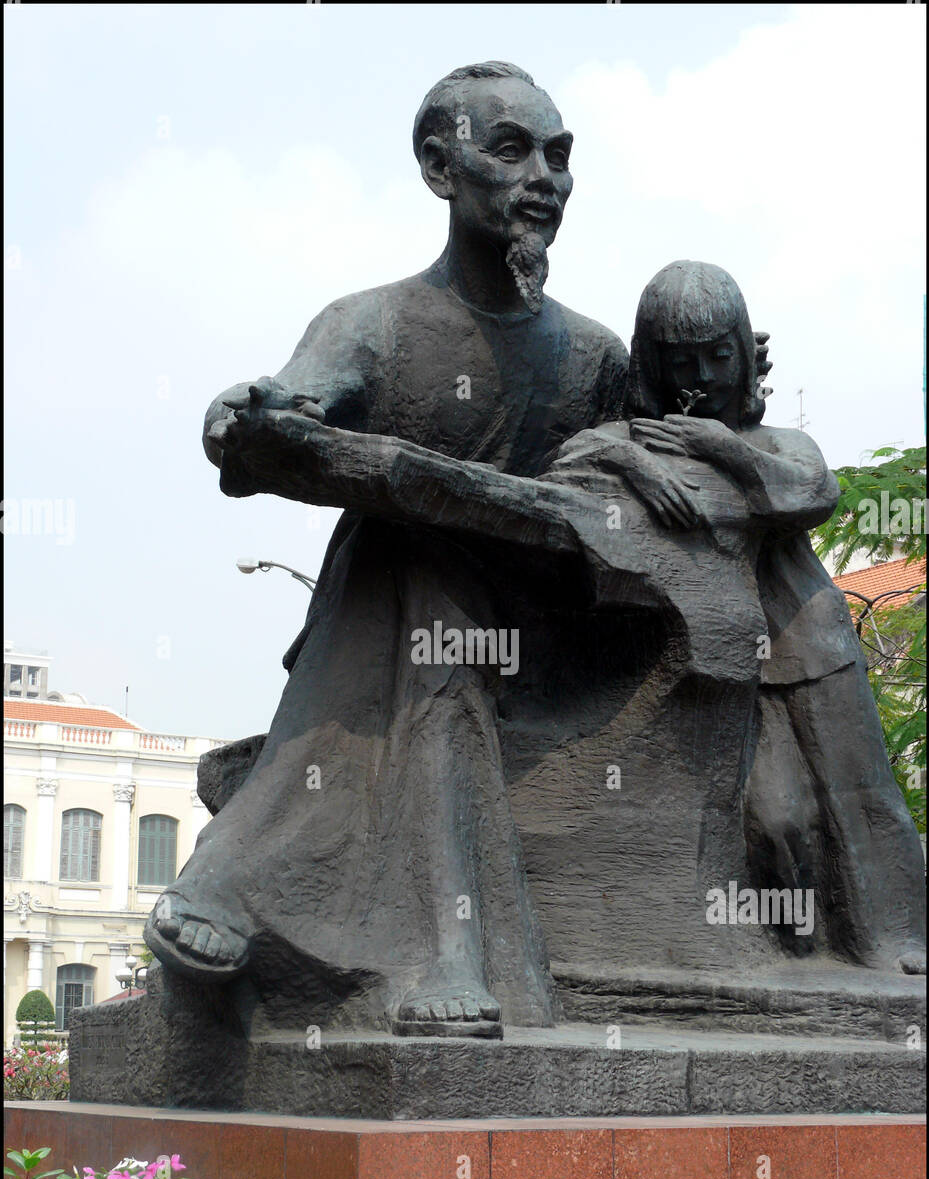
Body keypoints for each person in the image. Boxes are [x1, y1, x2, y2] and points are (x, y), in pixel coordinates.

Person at [144, 62, 629, 1036]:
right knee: (421, 567)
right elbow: (290, 408)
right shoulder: (371, 323)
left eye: (559, 155)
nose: (543, 176)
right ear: (437, 167)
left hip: (556, 644)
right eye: (510, 149)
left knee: (433, 572)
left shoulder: (594, 357)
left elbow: (633, 514)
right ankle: (445, 949)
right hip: (403, 621)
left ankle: (239, 882)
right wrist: (256, 414)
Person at [551, 260, 926, 972]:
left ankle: (896, 939)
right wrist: (639, 466)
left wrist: (718, 447)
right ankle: (799, 955)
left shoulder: (776, 443)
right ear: (655, 364)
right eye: (682, 360)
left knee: (861, 795)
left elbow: (810, 492)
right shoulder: (638, 441)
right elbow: (567, 460)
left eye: (719, 355)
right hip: (718, 658)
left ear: (744, 352)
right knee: (776, 817)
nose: (704, 374)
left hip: (809, 642)